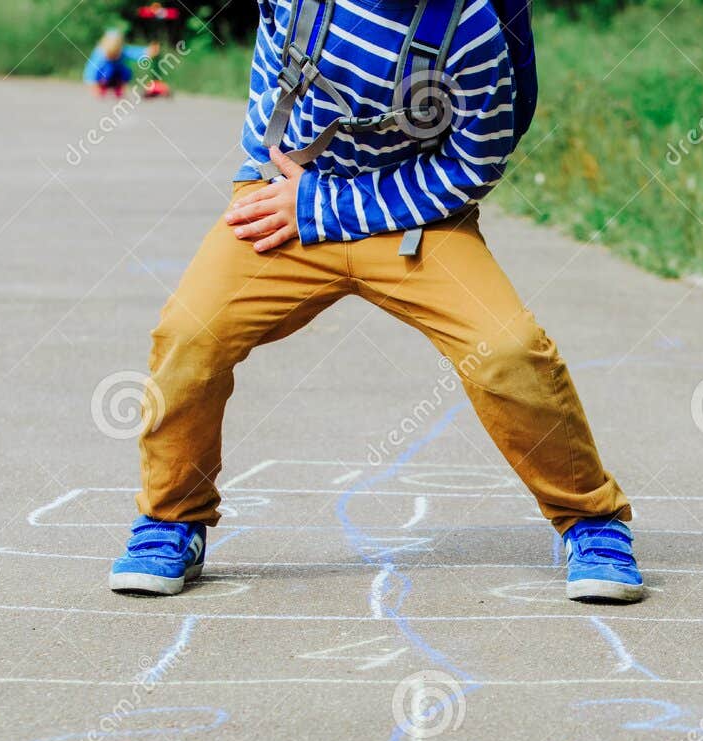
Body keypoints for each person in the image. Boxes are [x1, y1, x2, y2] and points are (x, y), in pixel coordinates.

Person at [108, 0, 643, 604]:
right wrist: (265, 168)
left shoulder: (470, 30)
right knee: (190, 331)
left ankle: (591, 520)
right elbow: (271, 62)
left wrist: (327, 205)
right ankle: (172, 519)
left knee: (509, 351)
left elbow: (473, 167)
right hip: (284, 203)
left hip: (414, 220)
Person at [82, 29, 157, 99]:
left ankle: (119, 88)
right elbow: (91, 70)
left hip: (115, 77)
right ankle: (101, 88)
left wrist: (148, 51)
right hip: (103, 78)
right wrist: (93, 85)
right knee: (109, 68)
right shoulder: (100, 53)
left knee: (126, 70)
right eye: (112, 54)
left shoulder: (122, 51)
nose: (114, 56)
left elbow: (134, 52)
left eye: (116, 54)